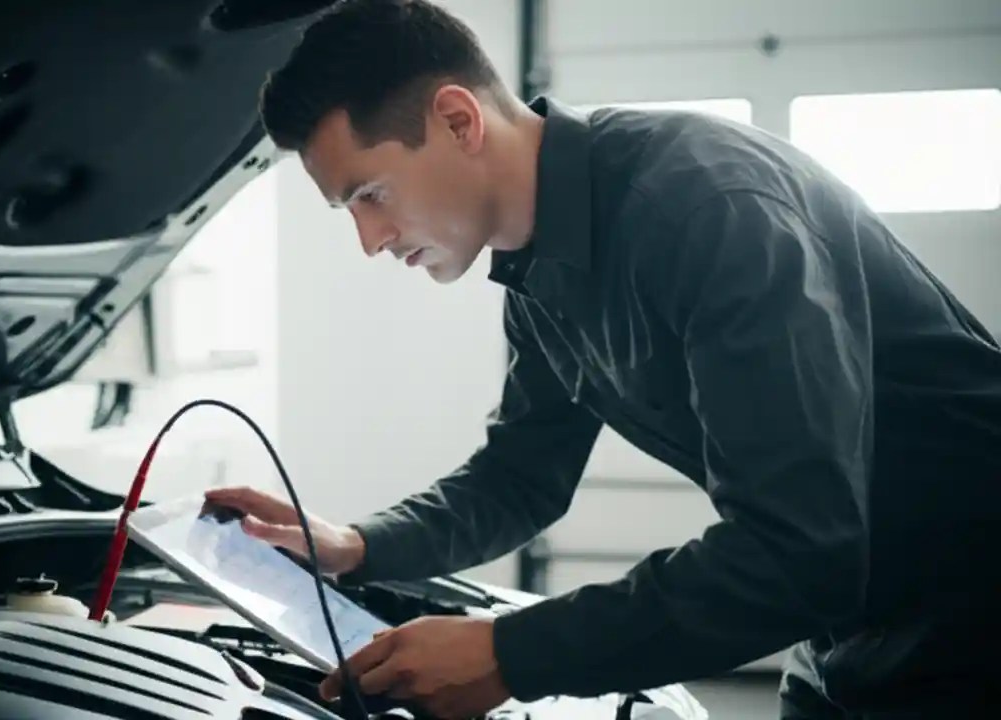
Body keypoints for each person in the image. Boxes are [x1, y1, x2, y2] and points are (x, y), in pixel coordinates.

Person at [206, 1, 1001, 718]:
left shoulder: (708, 210)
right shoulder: (536, 269)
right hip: (851, 634)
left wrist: (507, 653)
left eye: (370, 195)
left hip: (974, 618)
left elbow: (799, 553)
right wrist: (358, 543)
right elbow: (521, 477)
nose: (371, 241)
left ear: (457, 121)